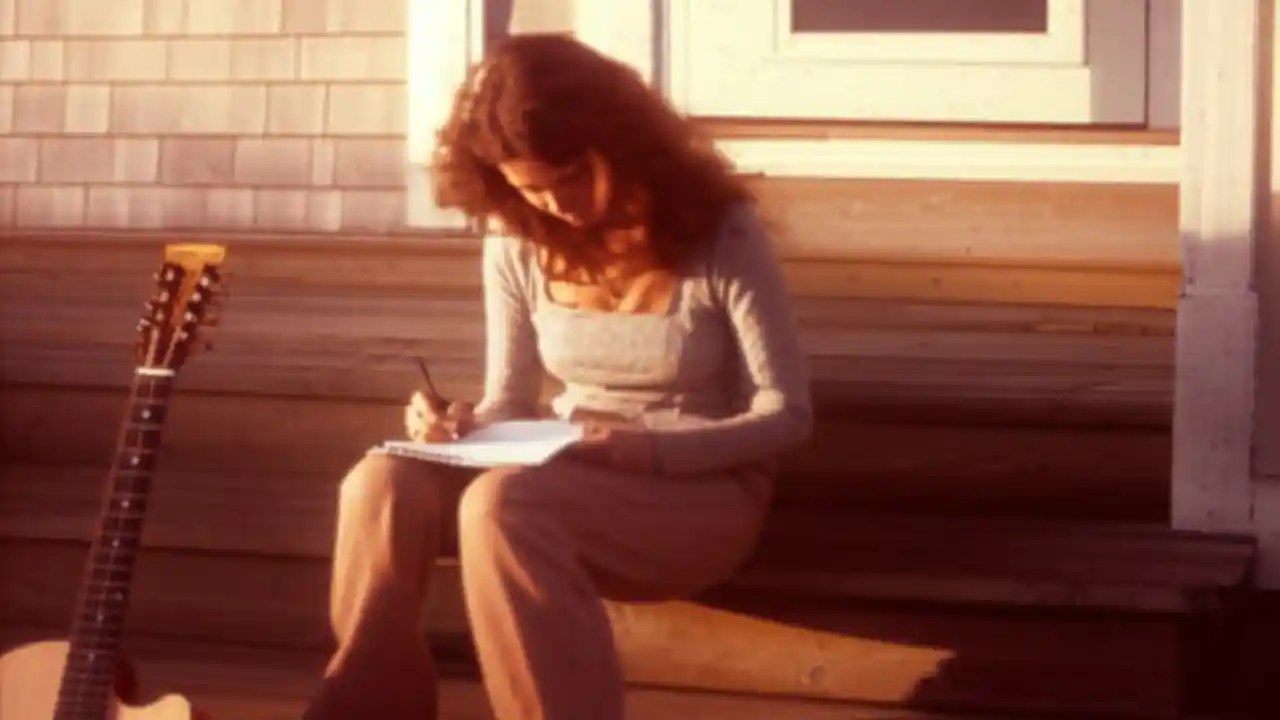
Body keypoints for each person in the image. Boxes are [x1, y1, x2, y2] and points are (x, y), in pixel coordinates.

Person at [302, 33, 812, 720]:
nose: (558, 204)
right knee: (381, 479)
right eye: (530, 189)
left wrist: (646, 450)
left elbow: (786, 415)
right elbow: (509, 399)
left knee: (504, 507)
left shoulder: (718, 232)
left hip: (698, 490)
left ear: (620, 142)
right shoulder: (516, 239)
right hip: (567, 467)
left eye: (573, 177)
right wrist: (458, 425)